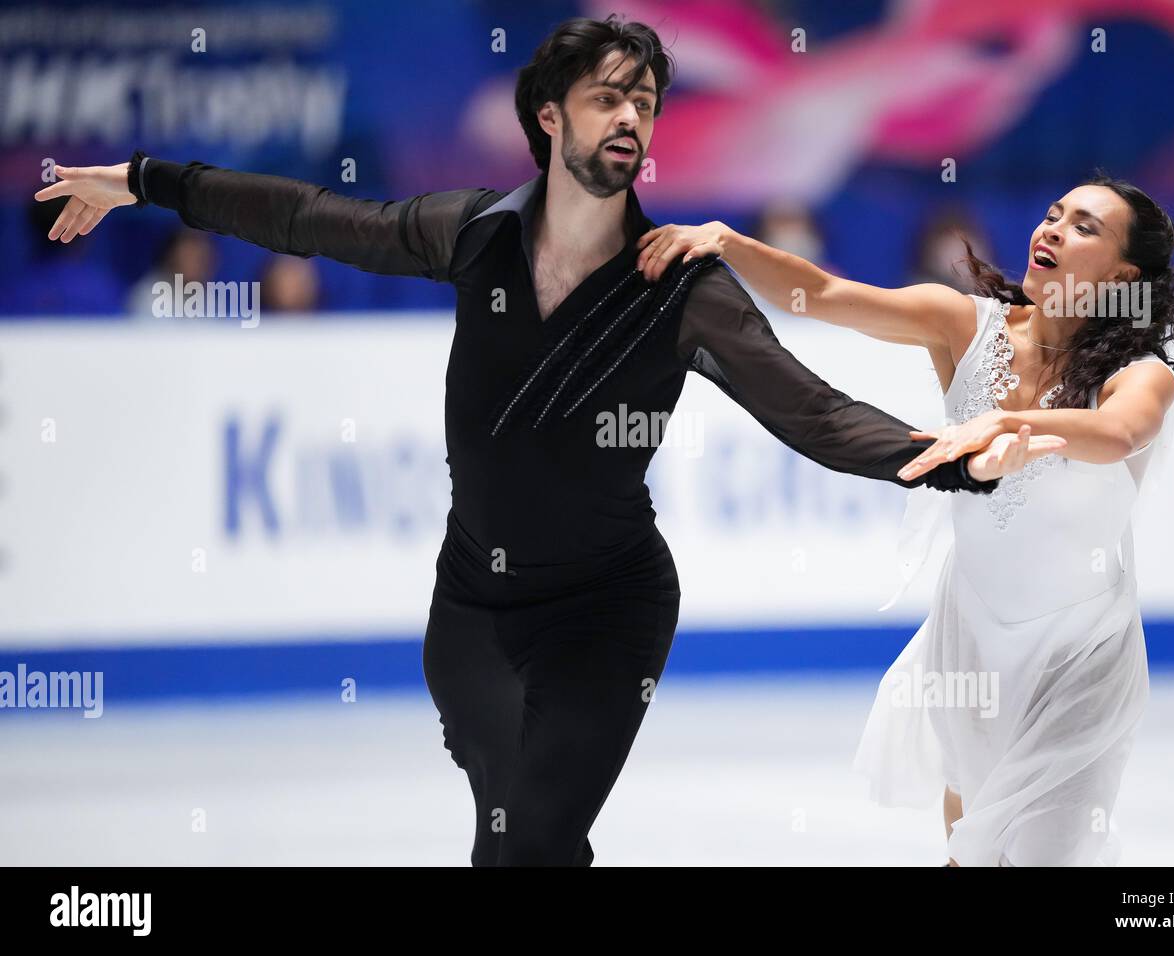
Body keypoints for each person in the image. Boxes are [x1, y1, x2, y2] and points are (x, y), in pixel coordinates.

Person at [33, 16, 1058, 867]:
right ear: (549, 114)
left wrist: (963, 458)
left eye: (645, 102)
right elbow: (309, 215)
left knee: (530, 838)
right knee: (514, 842)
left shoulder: (681, 284)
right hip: (469, 609)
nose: (631, 117)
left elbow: (817, 413)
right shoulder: (474, 231)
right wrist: (147, 177)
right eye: (609, 96)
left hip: (610, 611)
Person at [638, 174, 1174, 865]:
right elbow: (827, 296)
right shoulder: (961, 321)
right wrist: (727, 241)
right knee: (971, 850)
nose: (1051, 229)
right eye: (1052, 214)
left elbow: (1119, 433)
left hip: (1083, 654)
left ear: (1124, 274)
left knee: (1050, 852)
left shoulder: (1142, 374)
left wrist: (1006, 418)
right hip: (973, 639)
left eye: (1084, 227)